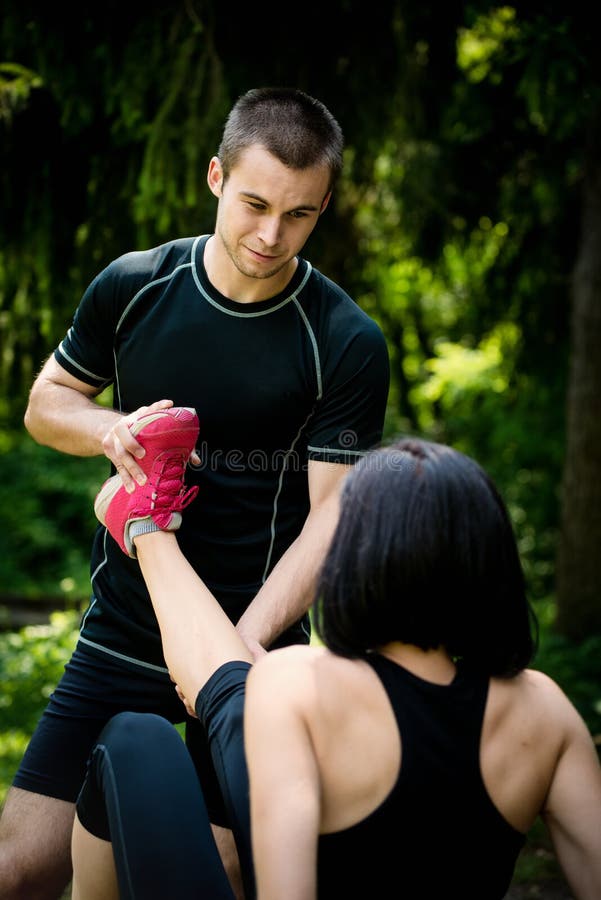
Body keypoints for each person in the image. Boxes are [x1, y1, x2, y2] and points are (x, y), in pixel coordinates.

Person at [1, 86, 390, 899]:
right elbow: (47, 405)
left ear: (322, 209)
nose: (269, 235)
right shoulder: (135, 284)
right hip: (127, 622)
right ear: (215, 176)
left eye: (298, 215)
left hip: (256, 644)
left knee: (214, 874)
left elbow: (331, 519)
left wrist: (233, 652)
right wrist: (109, 431)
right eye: (253, 203)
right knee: (20, 869)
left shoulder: (344, 339)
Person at [70, 424, 601, 899]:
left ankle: (145, 528)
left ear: (355, 558)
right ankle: (147, 529)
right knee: (218, 698)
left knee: (135, 739)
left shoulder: (296, 680)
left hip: (261, 696)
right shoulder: (545, 710)